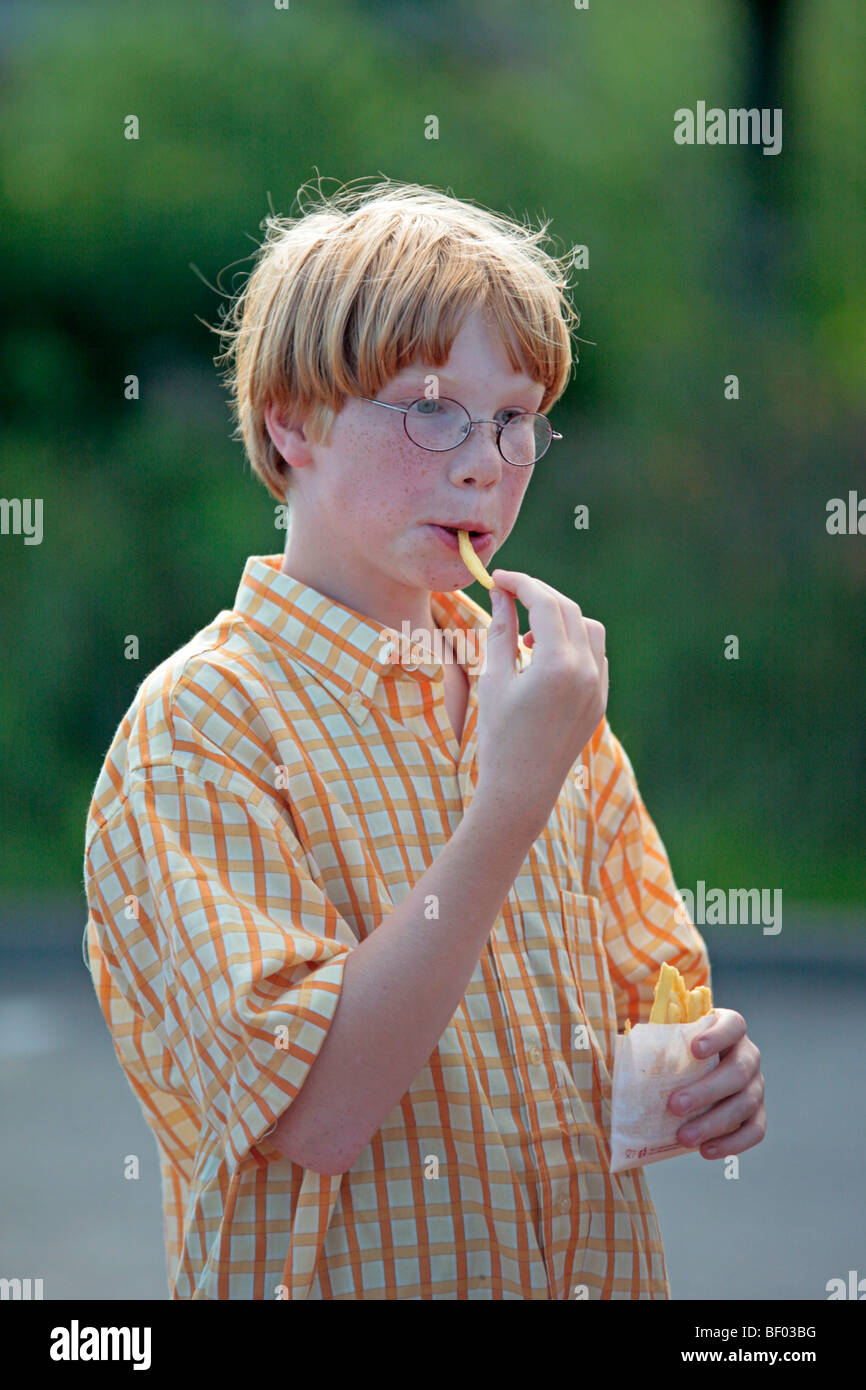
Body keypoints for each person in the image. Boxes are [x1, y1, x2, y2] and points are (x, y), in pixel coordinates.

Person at [83, 176, 765, 1300]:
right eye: (433, 407)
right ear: (291, 423)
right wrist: (508, 801)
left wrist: (707, 1069)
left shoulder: (538, 697)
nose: (484, 463)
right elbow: (316, 1111)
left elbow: (649, 1006)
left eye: (514, 420)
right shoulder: (200, 728)